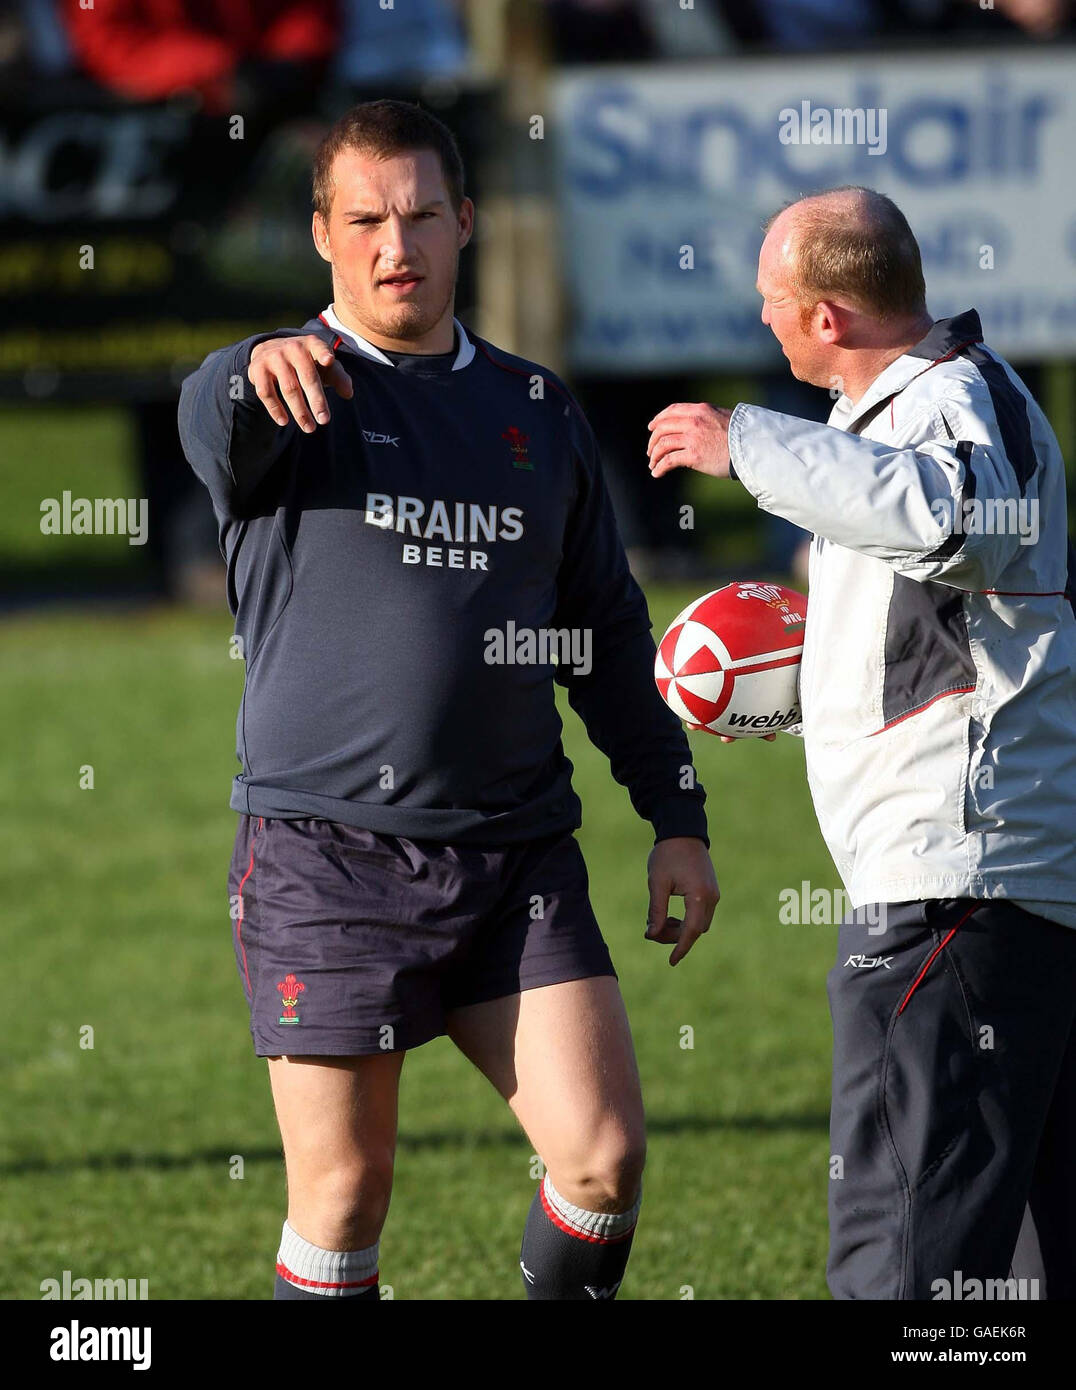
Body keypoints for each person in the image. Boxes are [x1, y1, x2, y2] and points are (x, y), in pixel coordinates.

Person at [178, 99, 719, 1302]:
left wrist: (675, 813)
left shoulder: (533, 409)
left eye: (422, 214)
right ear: (320, 231)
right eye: (364, 218)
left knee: (603, 1158)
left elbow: (606, 630)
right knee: (342, 1197)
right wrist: (243, 368)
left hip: (515, 851)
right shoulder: (287, 390)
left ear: (465, 221)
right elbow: (213, 415)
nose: (395, 244)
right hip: (325, 852)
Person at [647, 186, 1076, 1300]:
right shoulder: (903, 417)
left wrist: (742, 442)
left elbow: (951, 520)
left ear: (826, 317)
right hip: (989, 892)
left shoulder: (952, 399)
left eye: (771, 304)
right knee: (1010, 1272)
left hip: (952, 892)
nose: (763, 324)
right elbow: (940, 617)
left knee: (903, 1262)